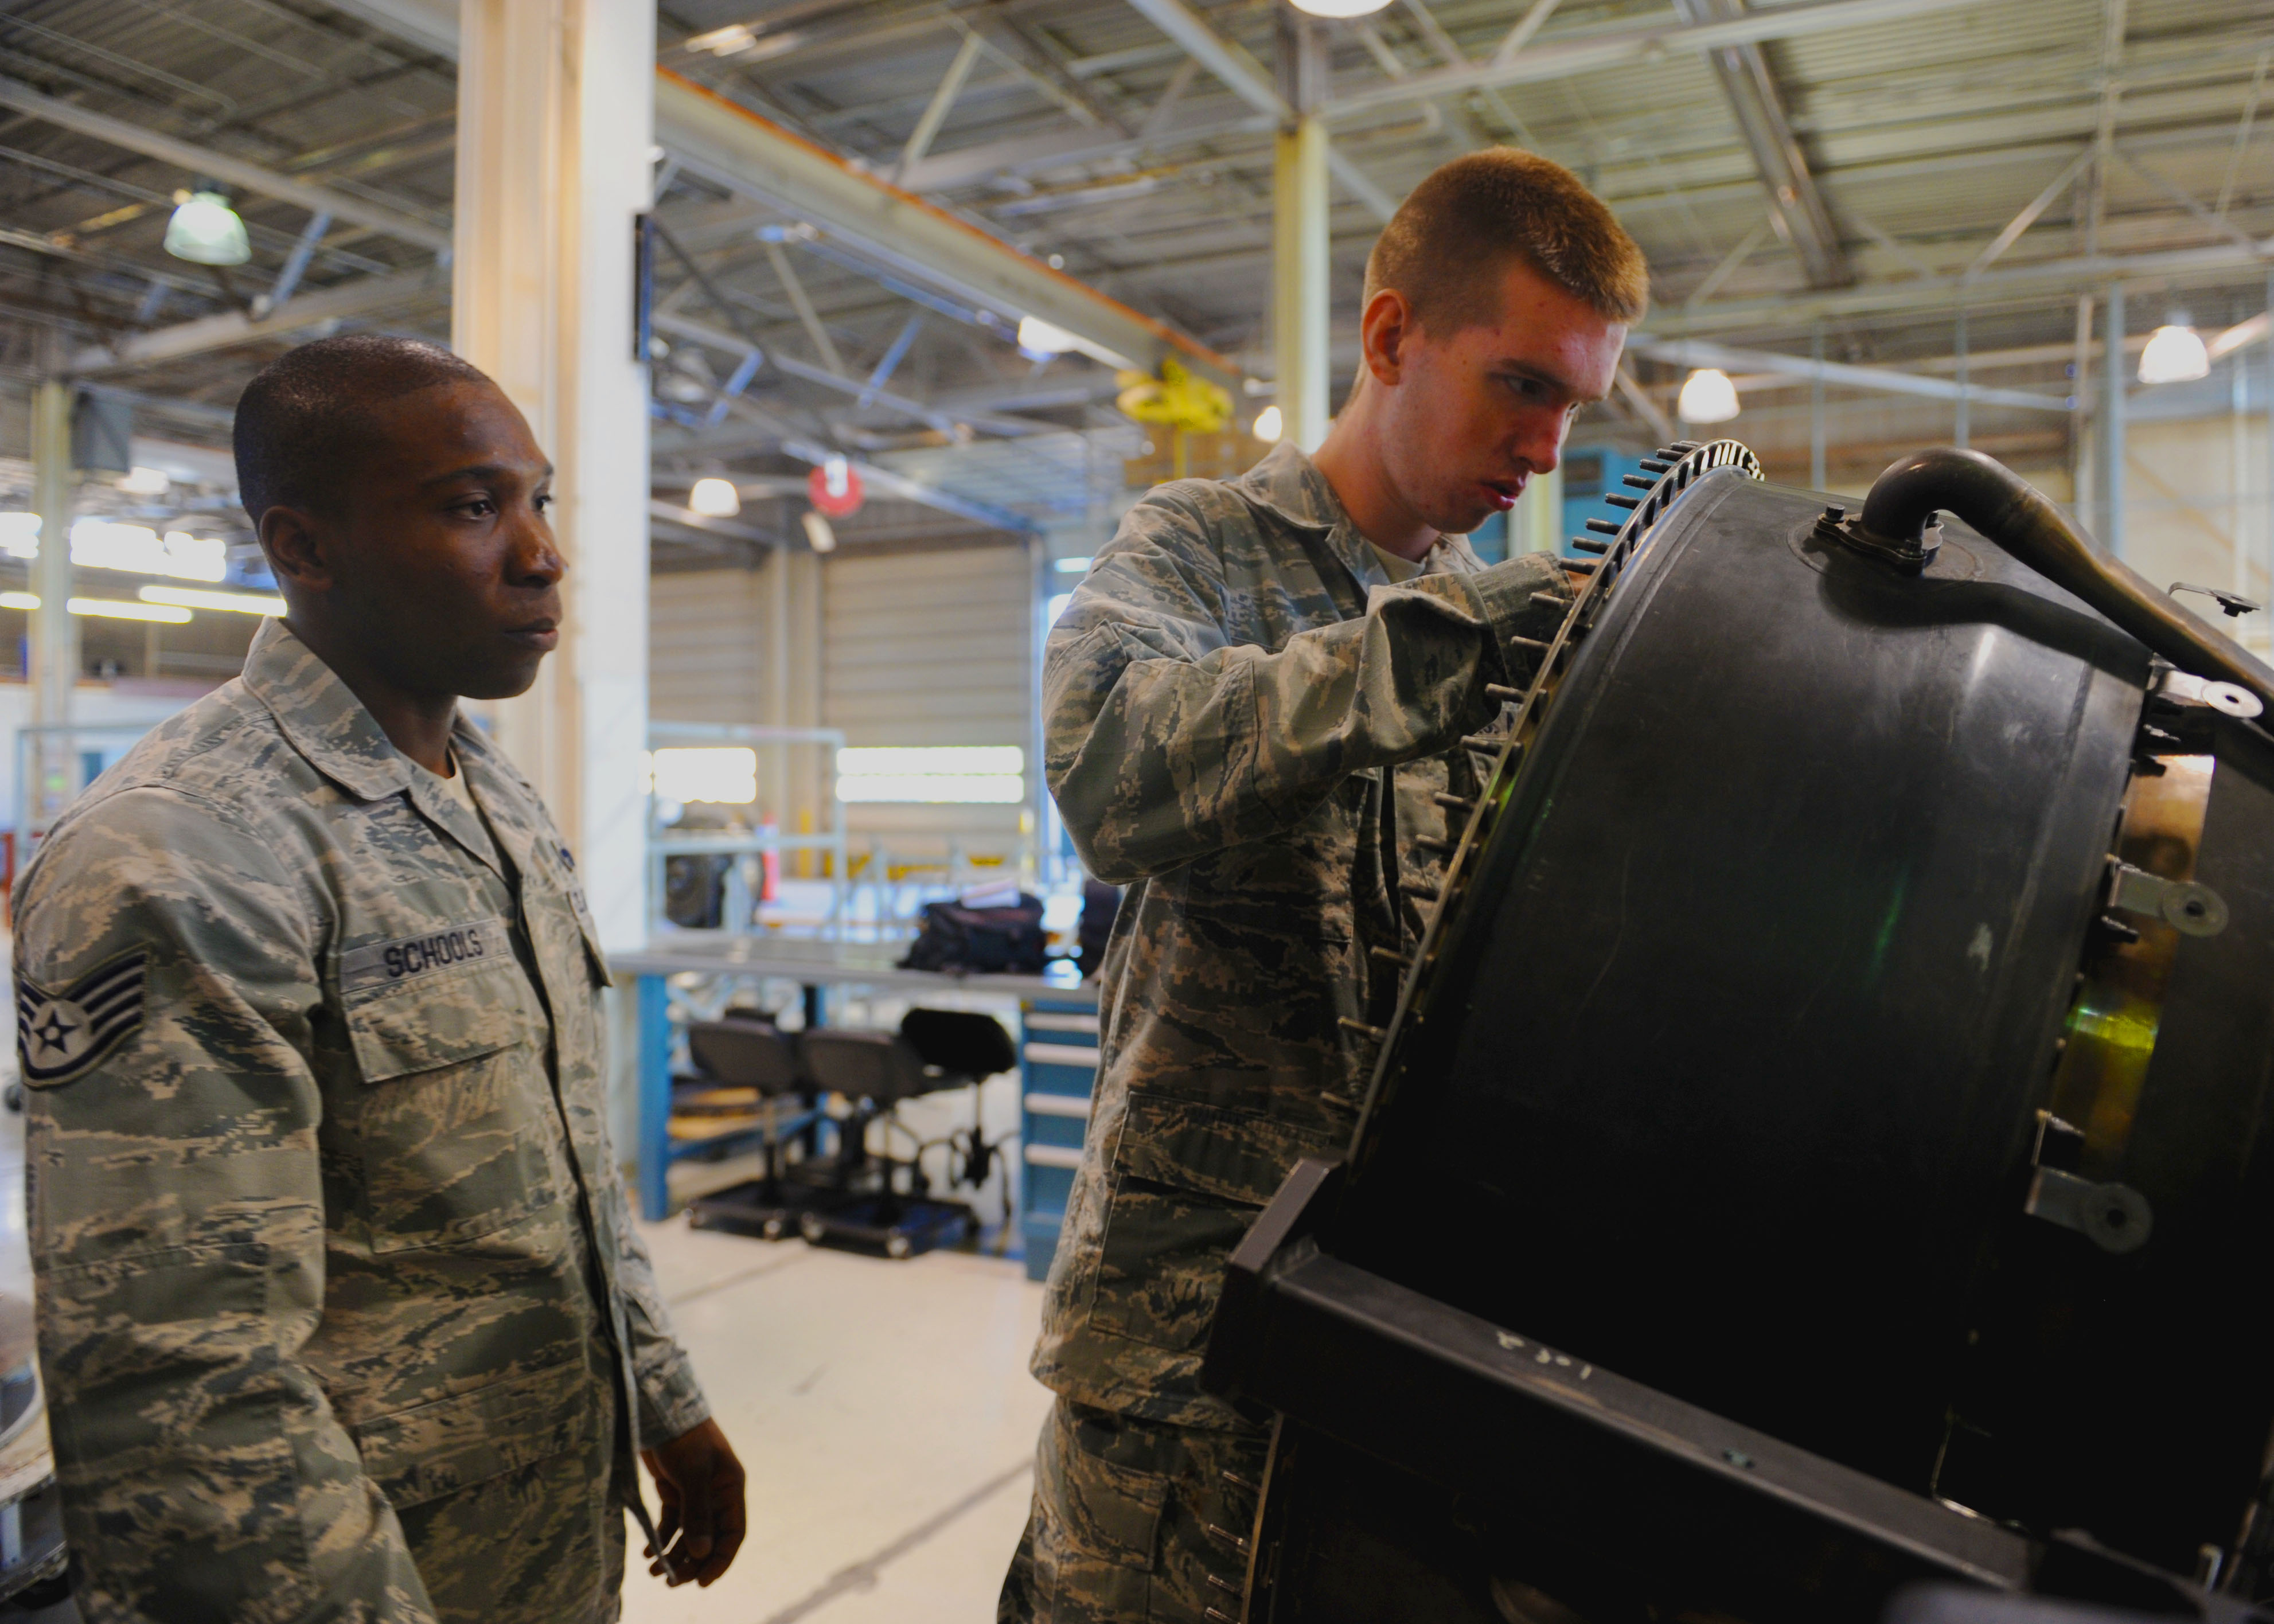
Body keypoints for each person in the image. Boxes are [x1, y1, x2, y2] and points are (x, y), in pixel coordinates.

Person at [998, 149, 1648, 1621]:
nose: (1547, 449)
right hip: (1181, 1373)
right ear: (1392, 336)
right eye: (1521, 385)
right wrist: (1449, 645)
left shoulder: (1507, 632)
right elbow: (1106, 766)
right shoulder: (1205, 553)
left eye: (1575, 406)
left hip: (1395, 1363)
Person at [14, 335, 745, 1624]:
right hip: (371, 1572)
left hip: (546, 1536)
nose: (542, 554)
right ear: (304, 548)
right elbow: (186, 1388)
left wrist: (662, 1397)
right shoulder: (181, 853)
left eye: (538, 500)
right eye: (472, 508)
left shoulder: (492, 798)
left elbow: (568, 1167)